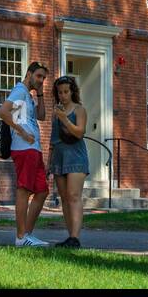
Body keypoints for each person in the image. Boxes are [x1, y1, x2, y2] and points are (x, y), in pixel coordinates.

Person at [0, 61, 50, 247]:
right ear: (29, 74)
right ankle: (20, 237)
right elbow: (3, 111)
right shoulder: (20, 90)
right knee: (24, 190)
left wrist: (41, 93)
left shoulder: (28, 95)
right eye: (38, 76)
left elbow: (42, 116)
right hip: (24, 148)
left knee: (42, 191)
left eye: (43, 78)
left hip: (34, 149)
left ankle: (26, 234)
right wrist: (22, 132)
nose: (41, 80)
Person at [47, 75, 89, 248]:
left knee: (73, 196)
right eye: (60, 92)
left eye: (66, 92)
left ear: (72, 92)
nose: (63, 95)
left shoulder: (79, 110)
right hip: (59, 157)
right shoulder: (55, 112)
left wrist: (64, 118)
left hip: (76, 156)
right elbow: (53, 140)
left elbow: (79, 133)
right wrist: (48, 163)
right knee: (64, 198)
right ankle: (70, 237)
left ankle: (75, 237)